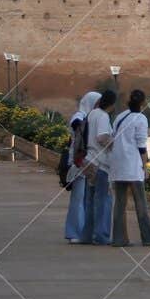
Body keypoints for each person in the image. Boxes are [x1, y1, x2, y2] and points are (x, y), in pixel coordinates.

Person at [108, 89, 150, 247]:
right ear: (143, 103)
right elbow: (141, 146)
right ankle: (149, 237)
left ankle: (119, 238)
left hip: (118, 164)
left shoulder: (119, 117)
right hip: (132, 165)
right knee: (141, 203)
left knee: (119, 203)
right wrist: (146, 166)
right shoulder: (141, 119)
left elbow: (113, 138)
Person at [79, 90, 117, 245]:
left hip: (89, 161)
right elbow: (102, 137)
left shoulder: (92, 114)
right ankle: (101, 235)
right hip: (100, 163)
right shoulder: (102, 116)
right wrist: (115, 143)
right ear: (112, 104)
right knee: (103, 200)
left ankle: (87, 235)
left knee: (90, 200)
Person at [63, 93, 96, 243]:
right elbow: (77, 128)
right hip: (78, 163)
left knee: (85, 198)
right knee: (78, 198)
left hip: (87, 162)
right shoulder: (79, 116)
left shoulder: (91, 116)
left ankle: (84, 231)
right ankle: (74, 232)